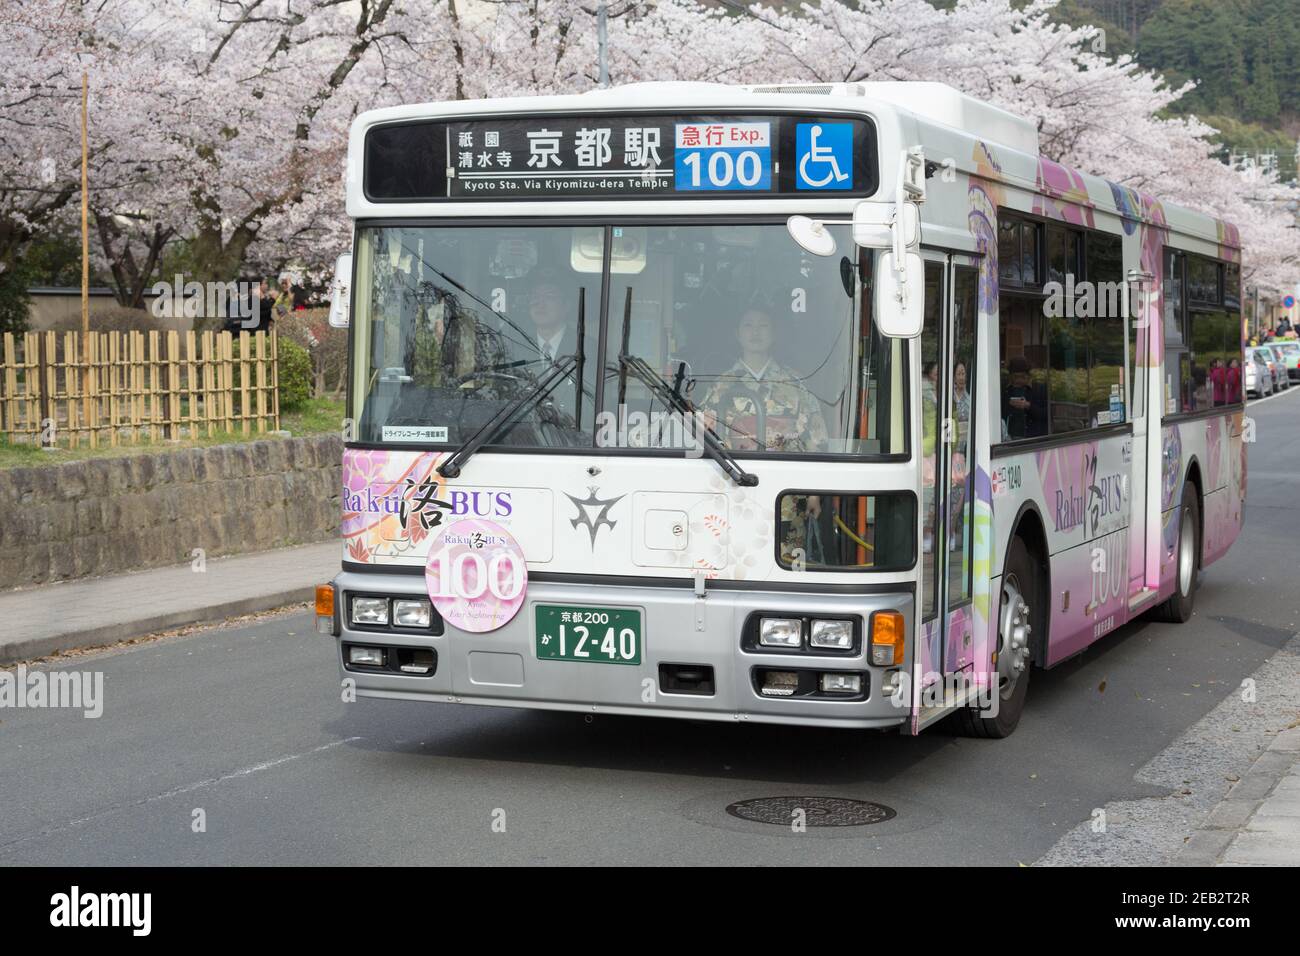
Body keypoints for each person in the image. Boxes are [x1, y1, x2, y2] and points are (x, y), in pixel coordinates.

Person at [698, 306, 829, 453]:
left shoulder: (795, 381)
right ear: (737, 334)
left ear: (774, 334)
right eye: (748, 325)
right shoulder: (722, 384)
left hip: (788, 467)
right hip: (737, 468)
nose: (755, 331)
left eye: (763, 325)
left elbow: (816, 442)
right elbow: (705, 437)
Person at [1002, 355, 1047, 439]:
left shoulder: (1039, 389)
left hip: (1031, 439)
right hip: (1008, 438)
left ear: (1028, 375)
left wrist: (1028, 406)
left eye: (1022, 377)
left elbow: (1046, 414)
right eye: (1015, 377)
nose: (1019, 380)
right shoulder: (1005, 390)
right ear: (1010, 376)